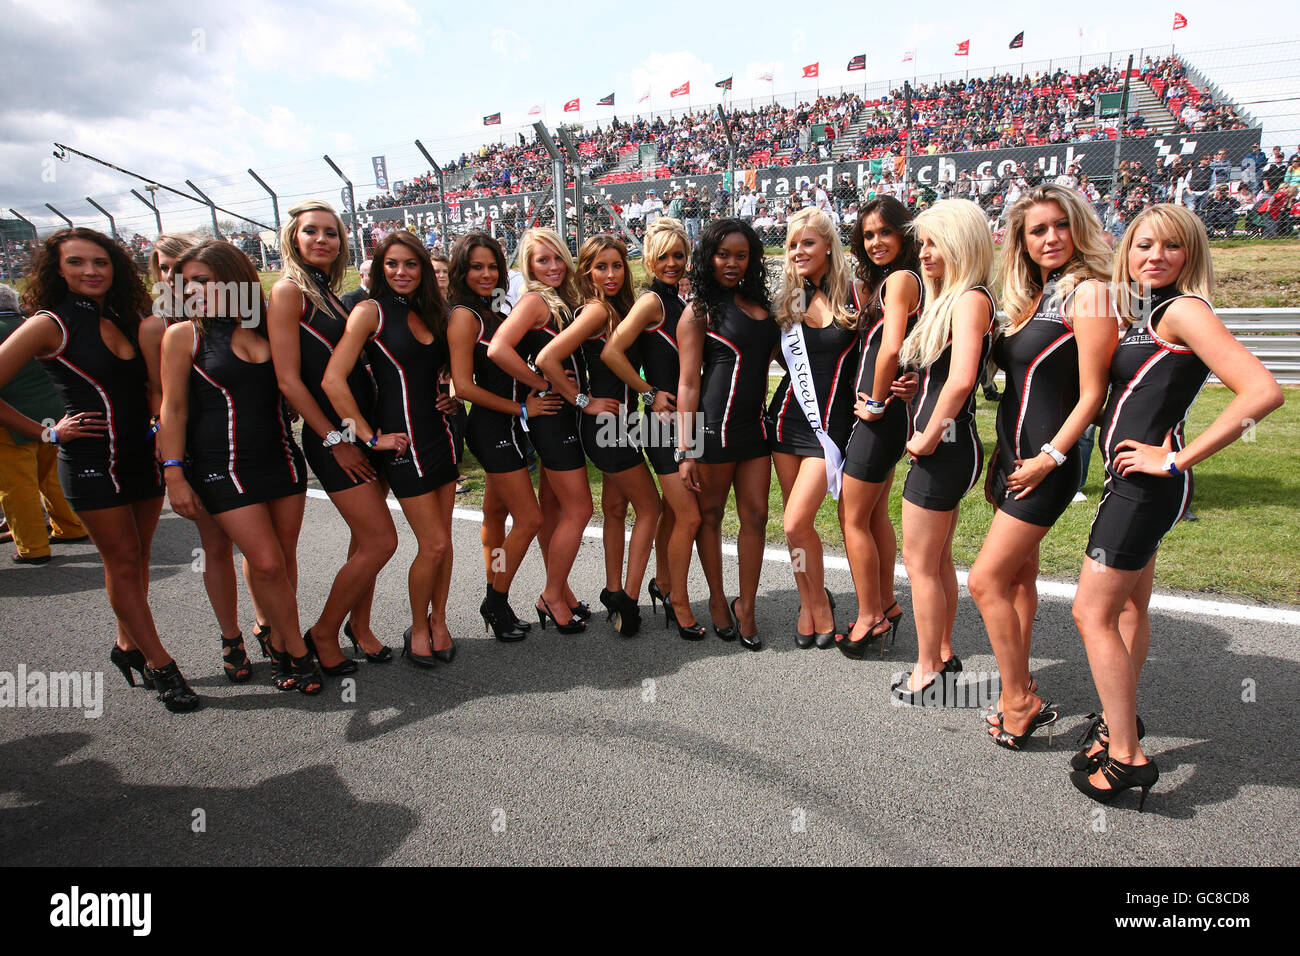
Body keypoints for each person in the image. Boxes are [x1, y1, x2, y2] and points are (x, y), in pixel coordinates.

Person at [1070, 204, 1283, 809]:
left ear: (1191, 255)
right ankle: (1120, 725)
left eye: (1170, 246)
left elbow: (1262, 392)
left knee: (1091, 612)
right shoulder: (1147, 312)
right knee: (1131, 609)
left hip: (1148, 486)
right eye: (1142, 245)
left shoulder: (1184, 310)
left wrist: (1176, 459)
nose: (1153, 257)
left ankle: (1128, 757)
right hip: (1134, 484)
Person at [0, 228, 198, 712]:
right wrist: (45, 432)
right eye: (77, 263)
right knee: (124, 560)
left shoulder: (132, 317)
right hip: (91, 462)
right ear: (57, 270)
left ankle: (126, 647)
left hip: (143, 455)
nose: (90, 271)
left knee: (140, 558)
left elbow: (156, 389)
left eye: (100, 262)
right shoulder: (49, 323)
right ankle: (162, 664)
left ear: (116, 268)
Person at [968, 185, 1115, 748]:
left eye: (1060, 226)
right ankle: (1020, 680)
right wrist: (1006, 458)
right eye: (1037, 230)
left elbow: (1092, 396)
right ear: (1021, 242)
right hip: (1017, 454)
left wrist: (1048, 459)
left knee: (985, 580)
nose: (1050, 238)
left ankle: (1019, 701)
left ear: (1077, 228)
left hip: (1051, 459)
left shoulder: (1090, 294)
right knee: (1019, 577)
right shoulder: (1036, 295)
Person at [159, 240, 319, 694]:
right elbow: (172, 411)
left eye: (203, 281)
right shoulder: (182, 336)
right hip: (219, 467)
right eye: (183, 282)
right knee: (265, 563)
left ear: (234, 280)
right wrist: (173, 473)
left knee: (282, 562)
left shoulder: (269, 323)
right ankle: (291, 649)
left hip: (282, 459)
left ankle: (276, 635)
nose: (191, 290)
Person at [267, 200, 397, 670]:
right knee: (382, 542)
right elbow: (288, 379)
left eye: (331, 233)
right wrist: (334, 441)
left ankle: (358, 627)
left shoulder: (330, 293)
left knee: (365, 543)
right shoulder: (288, 293)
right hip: (333, 439)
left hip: (363, 431)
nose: (322, 240)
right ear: (293, 239)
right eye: (311, 232)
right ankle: (323, 632)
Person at [323, 231, 462, 667]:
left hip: (442, 434)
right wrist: (367, 437)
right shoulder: (369, 313)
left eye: (411, 264)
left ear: (423, 269)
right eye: (392, 264)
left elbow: (448, 370)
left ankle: (439, 621)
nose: (401, 272)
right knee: (434, 545)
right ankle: (417, 627)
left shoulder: (432, 311)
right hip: (404, 446)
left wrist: (454, 393)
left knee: (445, 544)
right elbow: (332, 380)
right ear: (380, 269)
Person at [139, 232, 262, 680]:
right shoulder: (162, 326)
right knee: (216, 547)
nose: (175, 277)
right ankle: (231, 637)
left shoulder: (242, 316)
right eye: (166, 269)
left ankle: (265, 622)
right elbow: (162, 396)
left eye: (183, 269)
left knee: (261, 551)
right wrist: (170, 457)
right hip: (194, 450)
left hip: (246, 451)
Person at [893, 200, 995, 704]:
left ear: (962, 243)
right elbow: (942, 379)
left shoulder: (969, 299)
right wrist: (918, 389)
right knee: (935, 559)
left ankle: (927, 666)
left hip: (945, 450)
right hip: (947, 448)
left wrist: (928, 434)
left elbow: (960, 382)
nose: (925, 253)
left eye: (935, 242)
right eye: (923, 243)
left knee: (918, 562)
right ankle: (945, 650)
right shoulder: (951, 299)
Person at [537, 236, 661, 636]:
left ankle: (612, 592)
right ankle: (628, 596)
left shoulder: (619, 307)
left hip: (620, 424)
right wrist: (581, 400)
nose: (610, 274)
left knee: (614, 509)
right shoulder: (594, 311)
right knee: (651, 508)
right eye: (601, 266)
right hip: (608, 425)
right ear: (587, 271)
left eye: (617, 265)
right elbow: (547, 359)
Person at [445, 231, 560, 641]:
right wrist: (525, 406)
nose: (486, 273)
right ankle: (495, 601)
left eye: (493, 266)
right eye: (476, 266)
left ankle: (496, 586)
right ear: (462, 269)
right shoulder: (464, 315)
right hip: (494, 427)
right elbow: (464, 386)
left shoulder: (492, 308)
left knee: (495, 516)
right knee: (530, 518)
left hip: (507, 426)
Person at [676, 219, 776, 648]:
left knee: (756, 517)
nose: (732, 263)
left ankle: (747, 605)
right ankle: (718, 600)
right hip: (713, 431)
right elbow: (688, 384)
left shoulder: (764, 304)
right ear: (708, 258)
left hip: (755, 429)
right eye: (722, 255)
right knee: (711, 517)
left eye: (740, 255)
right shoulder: (699, 309)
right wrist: (686, 448)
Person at [487, 228, 592, 633]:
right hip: (553, 418)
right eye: (540, 260)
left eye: (556, 258)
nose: (551, 266)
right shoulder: (534, 302)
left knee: (552, 512)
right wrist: (541, 384)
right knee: (581, 509)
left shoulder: (566, 300)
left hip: (565, 416)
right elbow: (498, 349)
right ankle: (550, 594)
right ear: (528, 267)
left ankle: (561, 591)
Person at [768, 208, 859, 649]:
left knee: (793, 522)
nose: (798, 252)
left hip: (831, 429)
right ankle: (809, 601)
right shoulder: (793, 299)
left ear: (827, 245)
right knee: (795, 527)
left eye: (807, 242)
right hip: (786, 420)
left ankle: (821, 600)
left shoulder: (854, 296)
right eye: (792, 244)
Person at [602, 218, 696, 635]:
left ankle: (660, 583)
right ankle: (675, 598)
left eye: (679, 255)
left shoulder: (677, 300)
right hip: (659, 423)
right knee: (688, 515)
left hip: (684, 420)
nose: (672, 263)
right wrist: (647, 393)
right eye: (664, 256)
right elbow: (612, 352)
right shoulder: (652, 302)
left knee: (677, 515)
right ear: (650, 260)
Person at [837, 197, 921, 656]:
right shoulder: (897, 281)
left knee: (852, 516)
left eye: (885, 232)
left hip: (880, 418)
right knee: (872, 515)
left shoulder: (903, 280)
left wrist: (875, 398)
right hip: (890, 416)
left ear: (904, 234)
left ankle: (869, 616)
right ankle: (885, 605)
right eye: (868, 235)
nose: (875, 242)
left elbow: (889, 349)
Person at [0, 283, 86, 564]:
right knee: (52, 477)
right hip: (53, 413)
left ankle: (33, 547)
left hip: (11, 420)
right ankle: (71, 526)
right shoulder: (34, 324)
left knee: (17, 487)